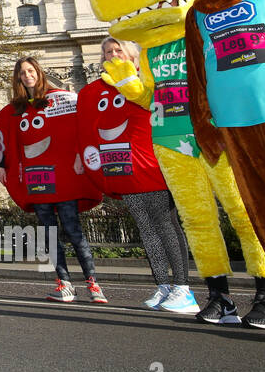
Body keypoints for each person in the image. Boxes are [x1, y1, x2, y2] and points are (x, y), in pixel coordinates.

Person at [81, 38, 194, 312]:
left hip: (152, 167)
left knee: (166, 225)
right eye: (108, 52)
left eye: (118, 50)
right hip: (124, 170)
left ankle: (183, 288)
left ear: (132, 55)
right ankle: (163, 285)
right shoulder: (98, 91)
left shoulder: (145, 82)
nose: (112, 54)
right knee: (147, 230)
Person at [0, 57, 107, 303]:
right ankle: (64, 283)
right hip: (37, 178)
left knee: (74, 231)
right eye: (22, 73)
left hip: (63, 176)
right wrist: (1, 164)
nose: (27, 76)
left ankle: (93, 283)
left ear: (38, 72)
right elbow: (1, 134)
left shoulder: (62, 99)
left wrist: (80, 155)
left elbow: (81, 124)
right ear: (18, 78)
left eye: (30, 70)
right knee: (50, 234)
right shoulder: (16, 109)